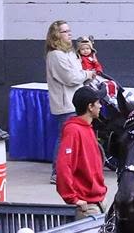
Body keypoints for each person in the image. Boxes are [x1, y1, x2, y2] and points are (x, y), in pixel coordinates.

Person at [45, 20, 96, 184]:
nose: (69, 34)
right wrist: (87, 75)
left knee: (73, 139)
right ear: (56, 35)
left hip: (74, 102)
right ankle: (56, 173)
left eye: (69, 30)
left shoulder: (70, 53)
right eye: (65, 31)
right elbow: (71, 78)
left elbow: (78, 71)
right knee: (65, 139)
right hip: (65, 104)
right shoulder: (55, 56)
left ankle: (71, 171)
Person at [55, 86, 107, 220]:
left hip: (98, 203)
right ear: (90, 106)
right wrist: (73, 199)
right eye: (98, 102)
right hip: (87, 207)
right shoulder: (73, 130)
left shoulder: (87, 128)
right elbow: (63, 166)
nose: (100, 106)